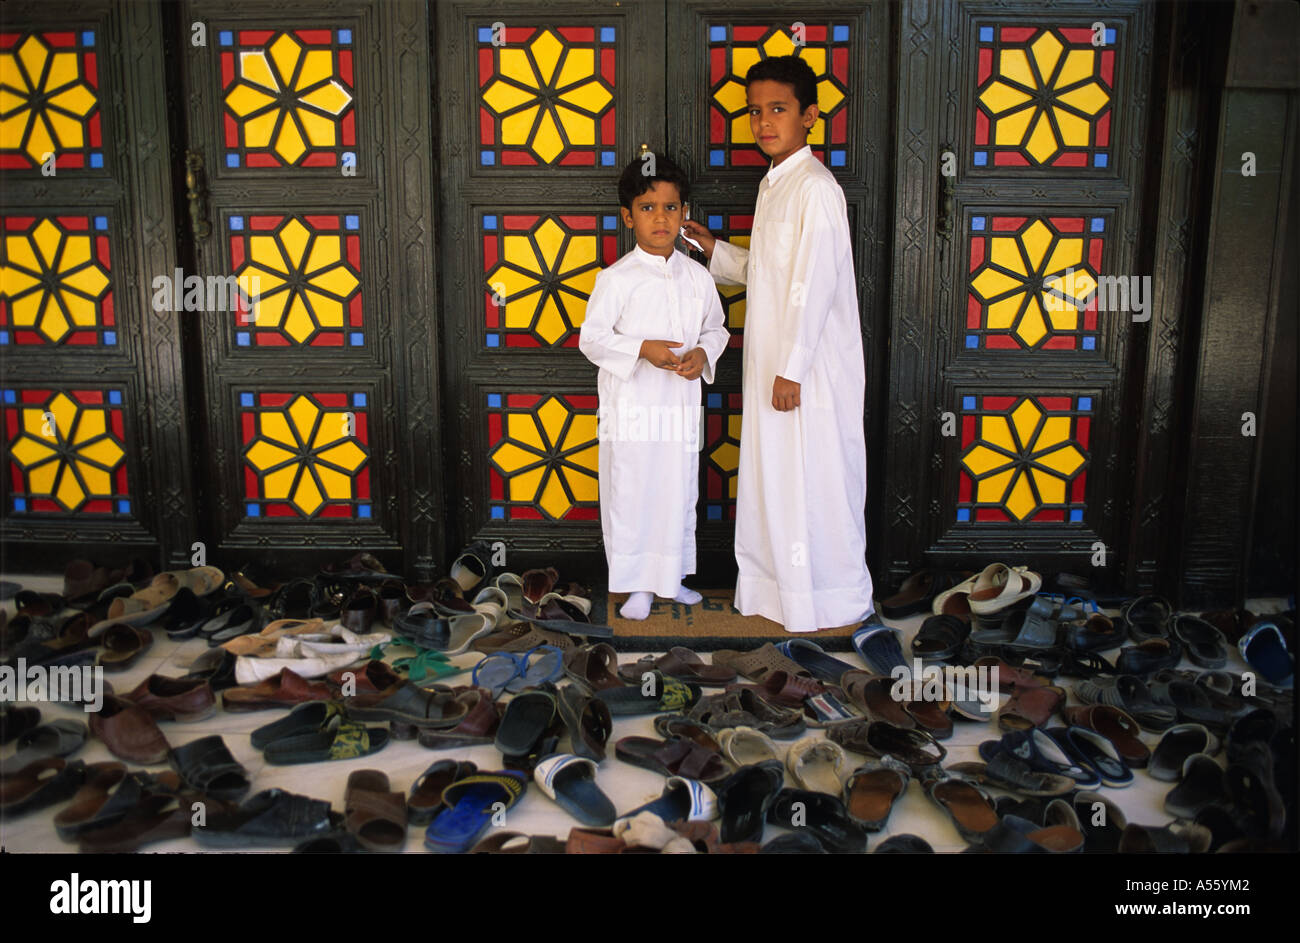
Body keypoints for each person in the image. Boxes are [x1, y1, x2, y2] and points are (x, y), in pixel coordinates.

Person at [682, 55, 874, 633]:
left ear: (810, 116)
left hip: (807, 373)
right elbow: (772, 272)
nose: (764, 122)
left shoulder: (814, 189)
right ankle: (779, 593)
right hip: (778, 368)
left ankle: (829, 599)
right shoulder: (776, 184)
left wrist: (792, 369)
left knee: (813, 480)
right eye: (754, 112)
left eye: (778, 110)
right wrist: (716, 251)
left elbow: (813, 288)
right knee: (778, 481)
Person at [579, 154, 729, 621]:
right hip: (633, 410)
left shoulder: (698, 276)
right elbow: (593, 339)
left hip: (680, 407)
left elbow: (717, 329)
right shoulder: (617, 279)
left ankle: (673, 578)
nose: (660, 218)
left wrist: (703, 354)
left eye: (670, 207)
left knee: (678, 489)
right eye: (647, 208)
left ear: (685, 212)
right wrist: (643, 348)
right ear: (628, 217)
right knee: (634, 490)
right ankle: (638, 584)